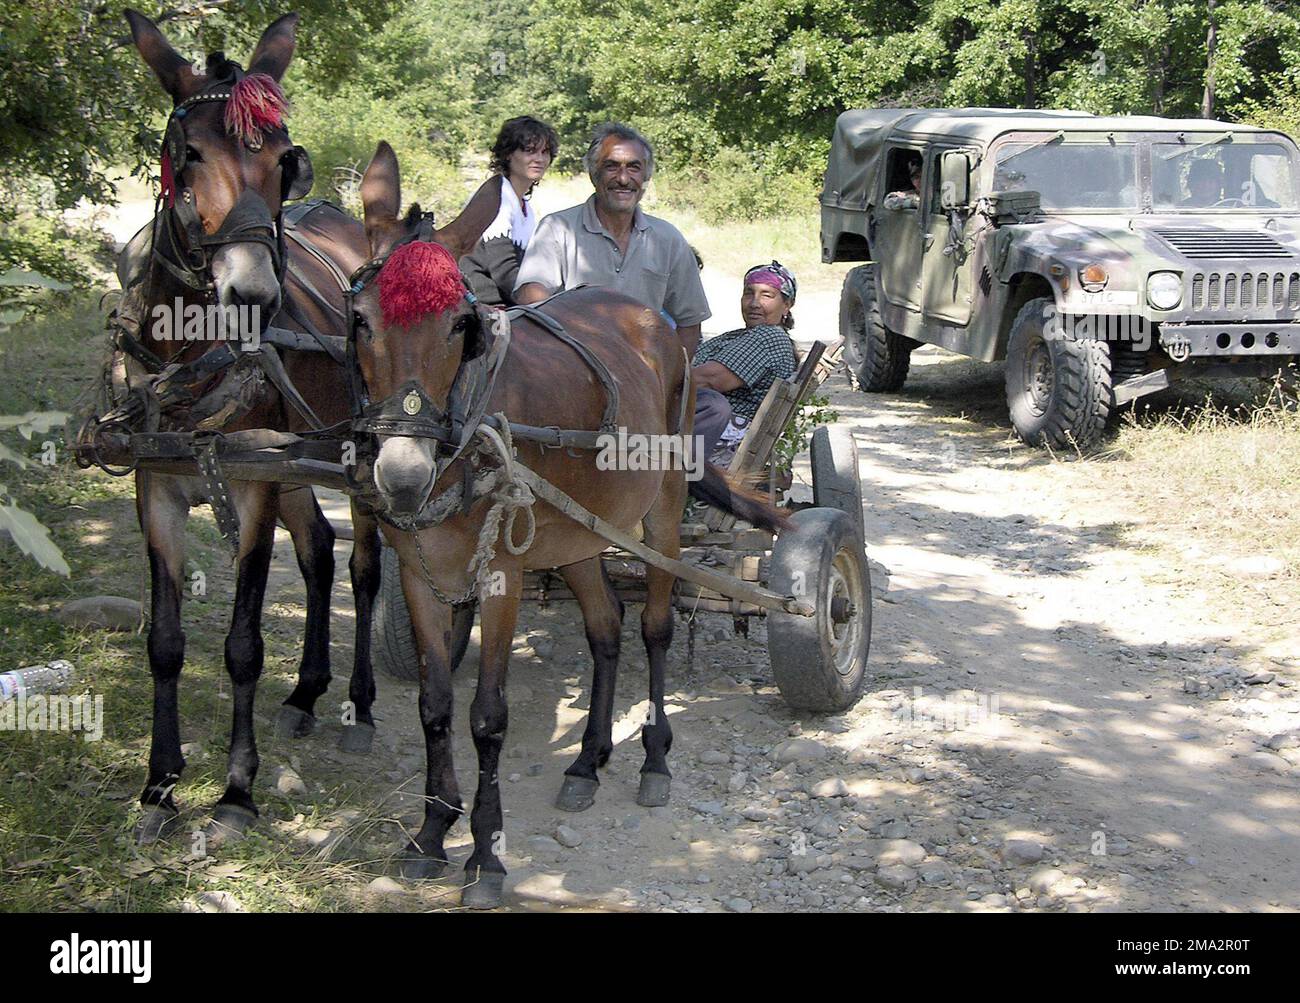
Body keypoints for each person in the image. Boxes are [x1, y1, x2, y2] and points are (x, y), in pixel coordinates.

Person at [514, 122, 711, 355]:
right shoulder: (558, 228)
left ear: (646, 176)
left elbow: (690, 322)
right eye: (611, 166)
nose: (624, 179)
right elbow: (530, 297)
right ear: (593, 174)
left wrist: (670, 381)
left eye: (634, 167)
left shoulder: (667, 239)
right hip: (576, 368)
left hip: (642, 374)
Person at [693, 261, 799, 466]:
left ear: (787, 305)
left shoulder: (769, 337)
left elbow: (708, 380)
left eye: (767, 295)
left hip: (718, 439)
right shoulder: (741, 335)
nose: (754, 303)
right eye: (749, 293)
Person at [459, 115, 559, 307]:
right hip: (477, 308)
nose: (539, 159)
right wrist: (547, 306)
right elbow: (503, 272)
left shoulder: (526, 209)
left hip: (506, 305)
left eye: (545, 152)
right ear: (508, 154)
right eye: (529, 151)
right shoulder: (497, 197)